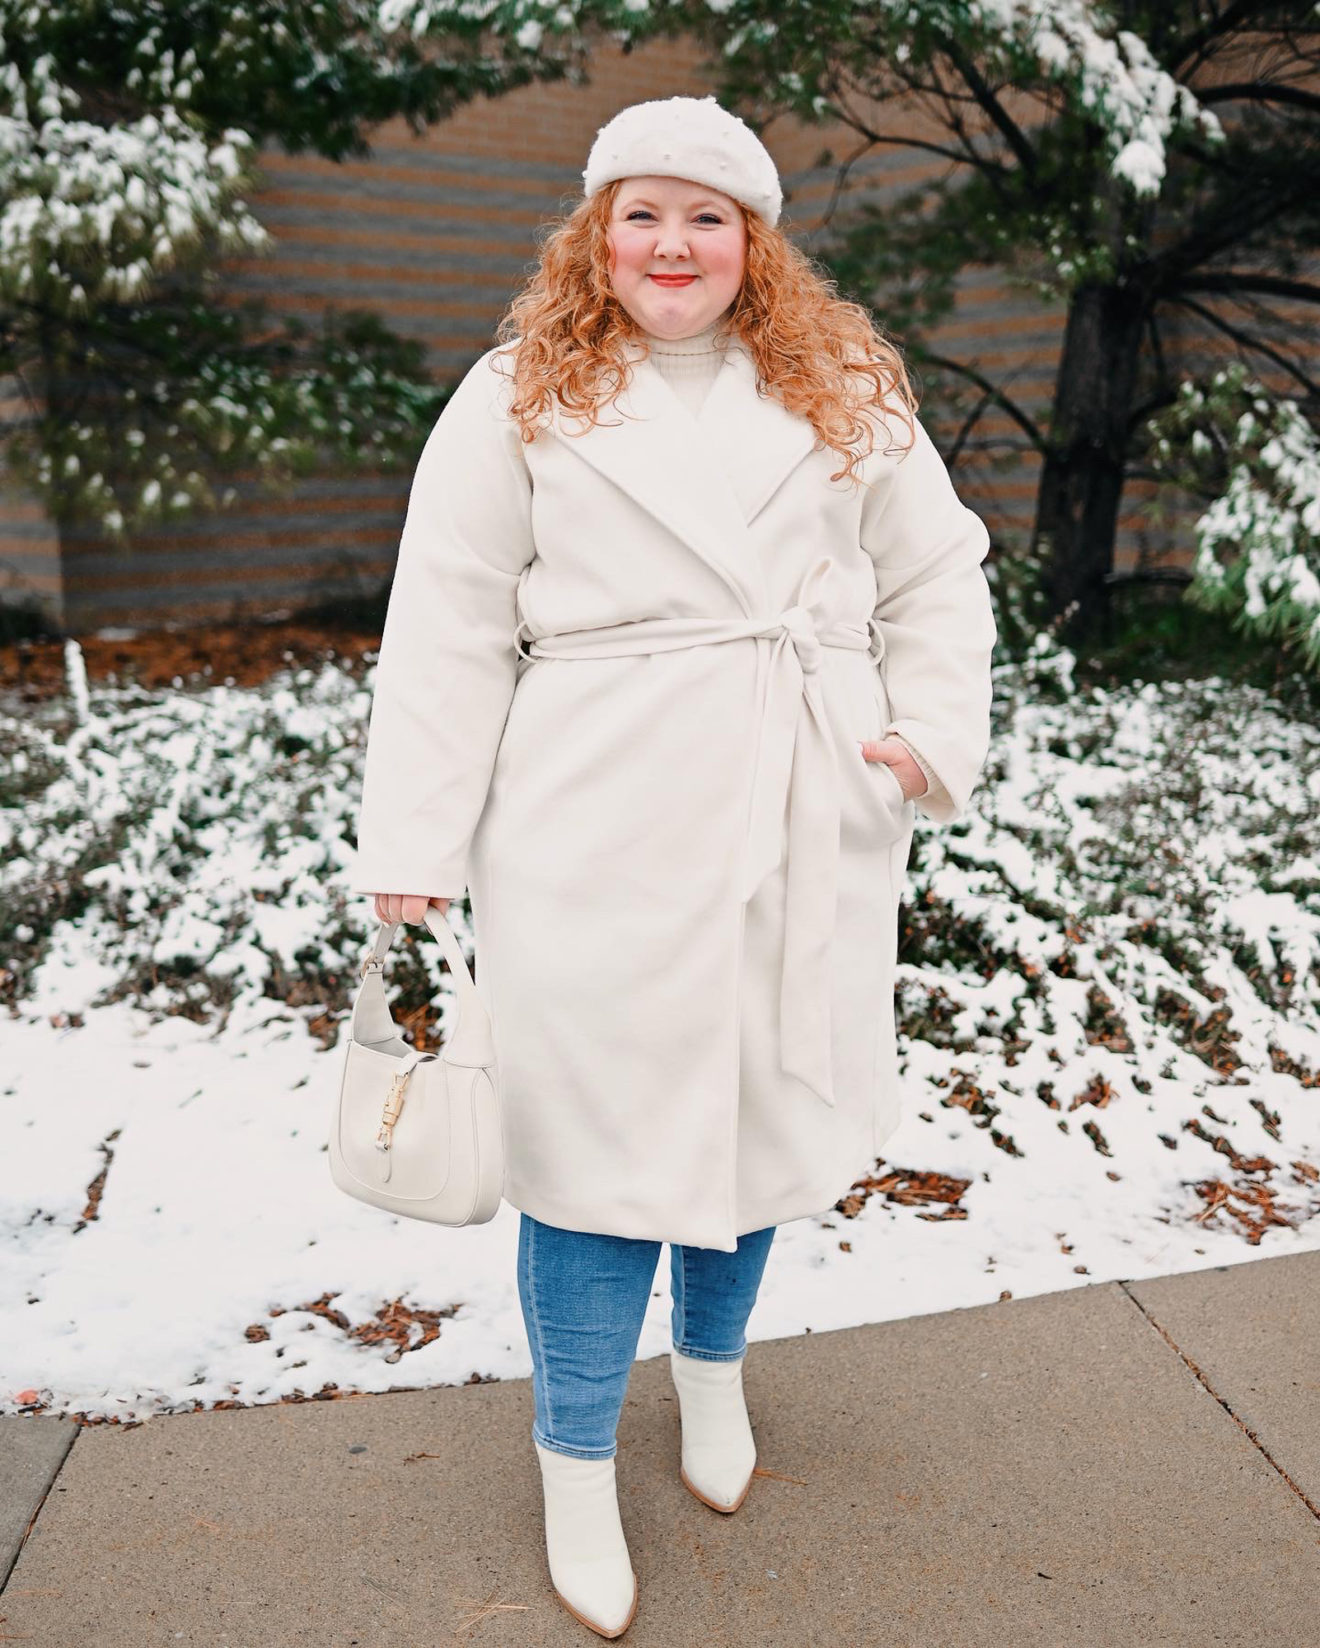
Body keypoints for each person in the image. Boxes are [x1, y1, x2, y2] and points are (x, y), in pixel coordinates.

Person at [350, 93, 997, 1640]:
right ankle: (576, 1463)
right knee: (589, 1154)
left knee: (765, 1105)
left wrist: (923, 737)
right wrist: (414, 853)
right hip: (591, 815)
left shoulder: (846, 385)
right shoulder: (518, 394)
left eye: (709, 216)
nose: (674, 243)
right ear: (597, 229)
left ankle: (713, 1383)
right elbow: (443, 623)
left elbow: (938, 569)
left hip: (800, 799)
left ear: (754, 240)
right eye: (643, 212)